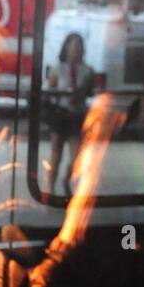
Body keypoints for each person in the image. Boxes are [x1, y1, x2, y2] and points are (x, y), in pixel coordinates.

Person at [45, 31, 95, 196]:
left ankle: (66, 180)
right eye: (73, 47)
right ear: (66, 48)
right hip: (61, 114)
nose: (75, 51)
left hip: (76, 115)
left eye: (78, 47)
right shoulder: (57, 68)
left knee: (76, 156)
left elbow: (90, 91)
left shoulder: (87, 70)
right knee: (56, 155)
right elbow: (50, 91)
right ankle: (50, 188)